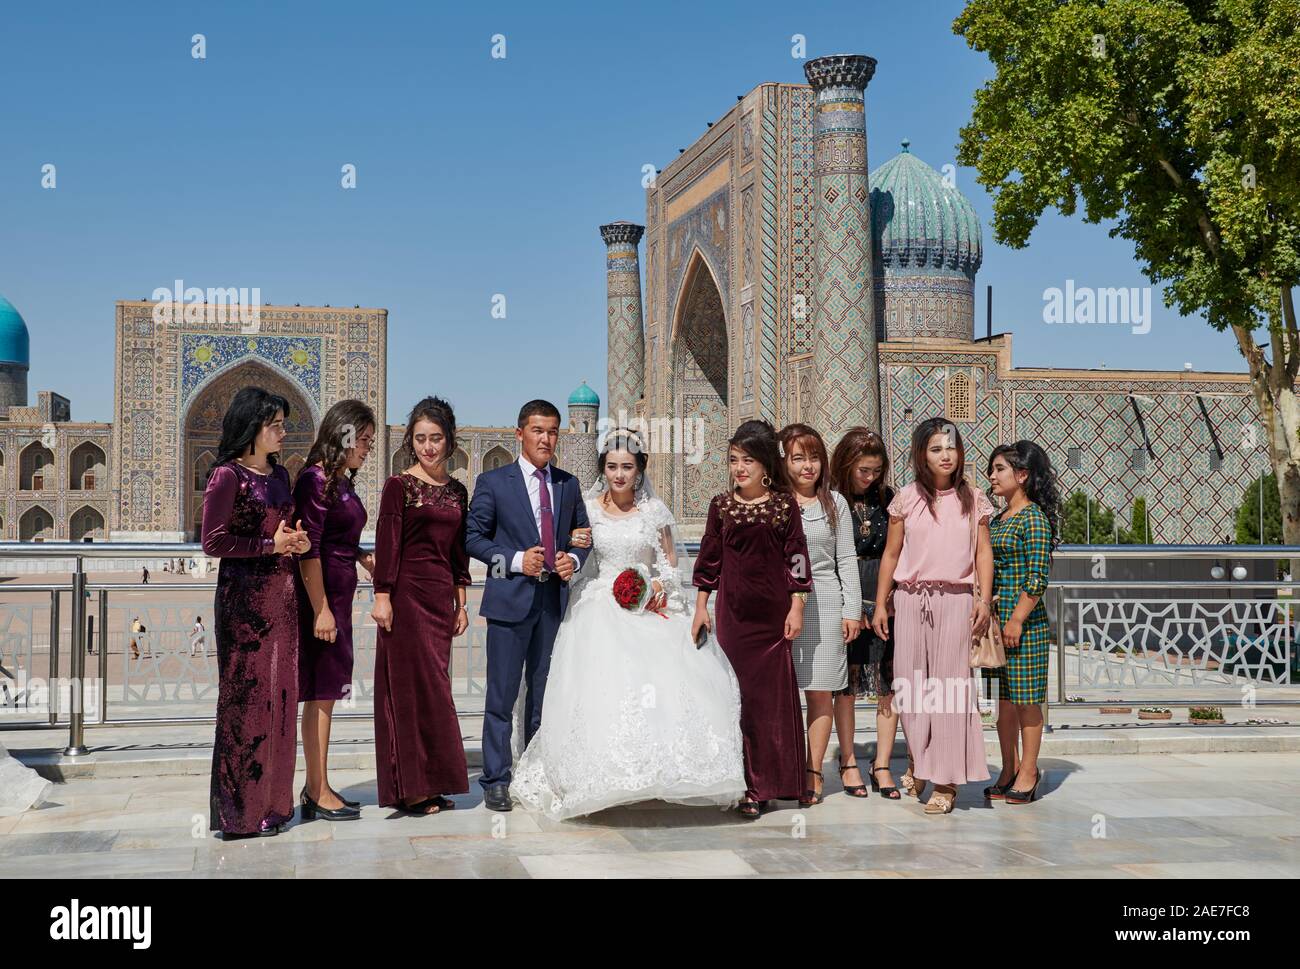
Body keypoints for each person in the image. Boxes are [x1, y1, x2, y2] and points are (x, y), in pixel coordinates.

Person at [511, 431, 745, 819]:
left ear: (640, 471)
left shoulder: (655, 512)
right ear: (603, 468)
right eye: (613, 466)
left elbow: (671, 566)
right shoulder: (586, 509)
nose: (619, 475)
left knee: (660, 689)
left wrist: (654, 584)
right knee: (602, 690)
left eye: (628, 467)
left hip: (648, 606)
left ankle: (655, 775)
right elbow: (578, 555)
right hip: (598, 604)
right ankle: (601, 779)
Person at [466, 400, 593, 812]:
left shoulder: (567, 484)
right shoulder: (494, 482)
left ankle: (535, 772)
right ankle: (497, 778)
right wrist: (518, 560)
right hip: (509, 601)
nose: (546, 439)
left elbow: (581, 535)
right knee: (502, 696)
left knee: (543, 694)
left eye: (553, 431)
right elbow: (473, 539)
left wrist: (570, 561)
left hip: (551, 603)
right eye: (538, 430)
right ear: (519, 433)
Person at [201, 386, 309, 838]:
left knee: (280, 699)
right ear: (252, 427)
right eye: (276, 424)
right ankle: (239, 814)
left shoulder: (280, 475)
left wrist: (295, 542)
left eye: (284, 423)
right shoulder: (227, 476)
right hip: (244, 601)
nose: (283, 431)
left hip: (282, 596)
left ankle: (274, 806)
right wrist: (270, 545)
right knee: (245, 702)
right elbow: (213, 542)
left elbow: (286, 527)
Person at [872, 417, 993, 815]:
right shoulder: (905, 499)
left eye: (951, 447)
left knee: (951, 692)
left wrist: (984, 599)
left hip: (957, 601)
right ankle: (922, 761)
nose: (945, 455)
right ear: (922, 454)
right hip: (910, 600)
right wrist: (880, 603)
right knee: (911, 689)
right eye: (936, 448)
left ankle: (946, 781)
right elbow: (891, 554)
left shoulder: (973, 499)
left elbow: (982, 554)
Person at [692, 419, 812, 818]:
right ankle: (744, 784)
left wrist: (797, 606)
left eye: (748, 460)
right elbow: (710, 559)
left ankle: (773, 785)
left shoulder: (783, 505)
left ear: (764, 465)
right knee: (736, 699)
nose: (739, 468)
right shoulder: (721, 506)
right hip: (733, 617)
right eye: (733, 460)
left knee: (769, 701)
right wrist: (700, 608)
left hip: (773, 618)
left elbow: (796, 557)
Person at [372, 397, 472, 815]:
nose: (428, 447)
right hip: (406, 598)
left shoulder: (456, 491)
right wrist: (382, 596)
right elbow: (387, 544)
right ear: (410, 442)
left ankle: (434, 783)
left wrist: (461, 603)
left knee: (436, 690)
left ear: (449, 441)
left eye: (435, 439)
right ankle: (411, 788)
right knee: (410, 692)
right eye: (420, 439)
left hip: (438, 600)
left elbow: (458, 553)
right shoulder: (399, 486)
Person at [295, 399, 377, 822]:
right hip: (323, 599)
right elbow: (308, 548)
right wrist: (321, 610)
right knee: (321, 695)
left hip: (340, 596)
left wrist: (361, 554)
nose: (367, 448)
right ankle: (316, 789)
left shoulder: (339, 481)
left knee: (326, 693)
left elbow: (335, 535)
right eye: (362, 440)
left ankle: (319, 785)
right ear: (342, 434)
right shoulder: (315, 479)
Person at [778, 423, 861, 805]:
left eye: (813, 457)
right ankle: (779, 771)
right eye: (798, 458)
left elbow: (845, 558)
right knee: (779, 693)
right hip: (781, 606)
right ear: (784, 462)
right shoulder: (776, 501)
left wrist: (852, 610)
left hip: (825, 603)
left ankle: (813, 771)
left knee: (820, 693)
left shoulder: (835, 503)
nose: (808, 466)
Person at [985, 441, 1059, 805]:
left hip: (1024, 626)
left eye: (999, 469)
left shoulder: (1033, 517)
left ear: (1022, 474)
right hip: (996, 626)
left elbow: (1037, 577)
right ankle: (1007, 768)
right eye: (993, 469)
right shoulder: (999, 520)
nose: (992, 476)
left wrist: (1016, 619)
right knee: (1004, 703)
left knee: (1028, 701)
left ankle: (1029, 770)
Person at [830, 428, 902, 799]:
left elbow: (896, 551)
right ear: (846, 464)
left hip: (884, 597)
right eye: (863, 470)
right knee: (848, 686)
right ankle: (848, 760)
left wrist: (885, 601)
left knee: (888, 684)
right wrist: (851, 606)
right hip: (847, 597)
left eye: (876, 470)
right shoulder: (832, 499)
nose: (870, 477)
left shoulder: (889, 499)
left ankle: (883, 763)